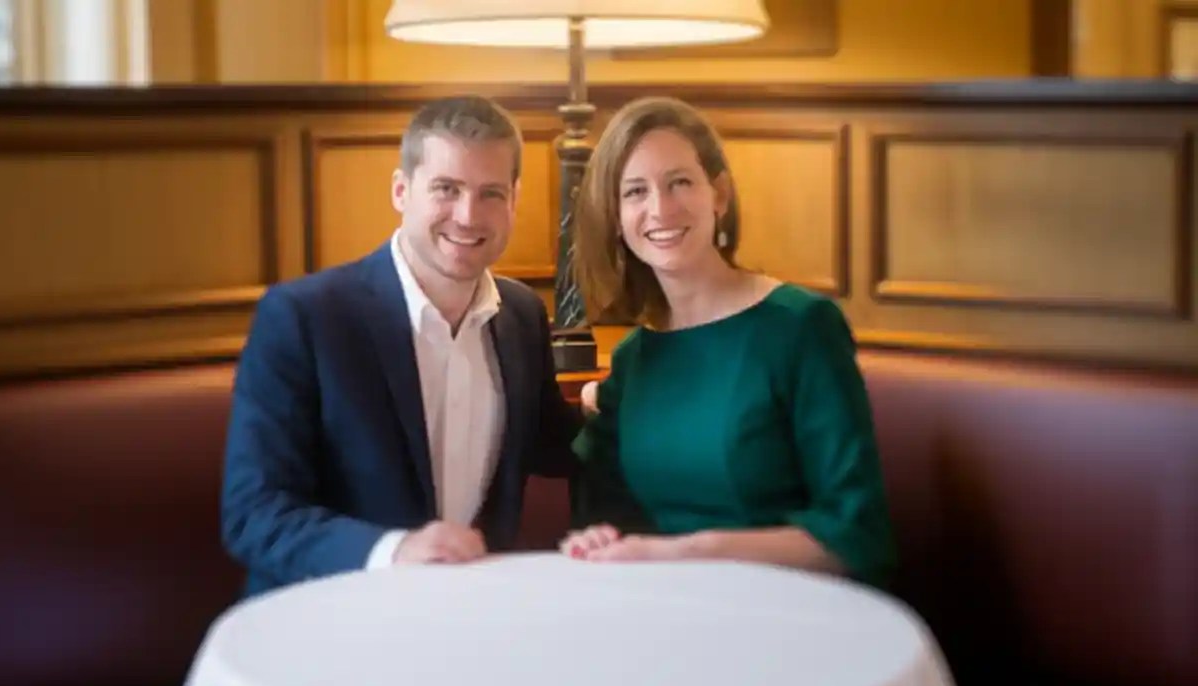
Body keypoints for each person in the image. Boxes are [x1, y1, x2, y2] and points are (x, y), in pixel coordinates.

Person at [223, 95, 580, 598]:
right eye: (446, 189)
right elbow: (255, 515)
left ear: (515, 200)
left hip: (475, 611)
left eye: (491, 194)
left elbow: (553, 444)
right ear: (401, 190)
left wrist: (638, 408)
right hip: (328, 612)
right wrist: (395, 551)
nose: (468, 215)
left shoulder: (522, 314)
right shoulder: (304, 316)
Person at [561, 97, 896, 587]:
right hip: (667, 605)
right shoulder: (634, 361)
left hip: (794, 605)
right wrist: (599, 542)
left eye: (679, 182)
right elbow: (607, 517)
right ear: (615, 216)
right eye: (635, 191)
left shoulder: (802, 328)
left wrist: (695, 551)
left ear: (718, 194)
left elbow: (857, 534)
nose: (660, 208)